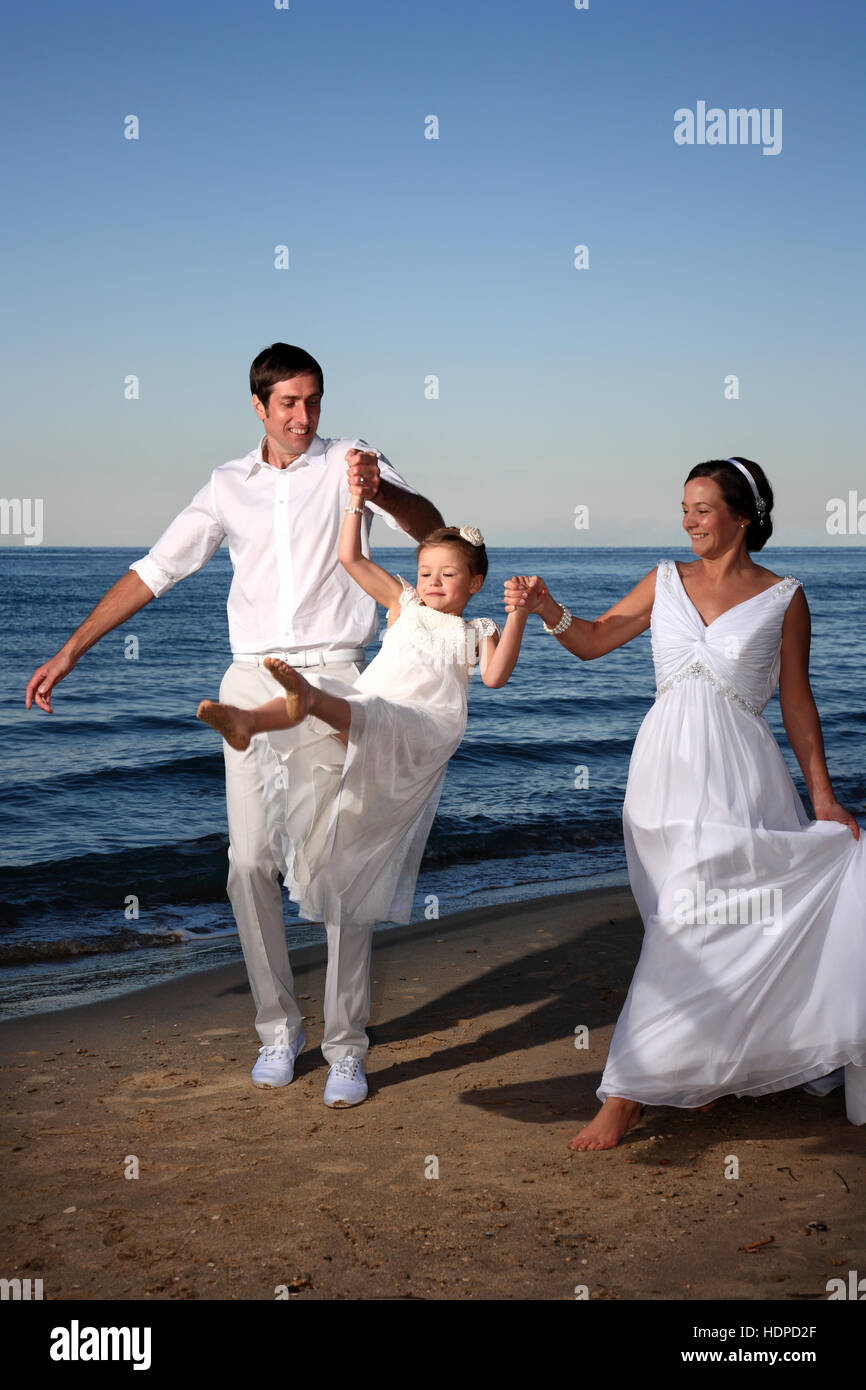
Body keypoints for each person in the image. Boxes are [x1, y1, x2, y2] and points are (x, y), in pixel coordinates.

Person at [24, 343, 444, 1106]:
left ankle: (346, 1046)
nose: (303, 415)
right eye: (288, 402)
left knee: (338, 868)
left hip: (333, 676)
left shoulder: (353, 459)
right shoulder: (227, 485)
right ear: (258, 405)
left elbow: (431, 530)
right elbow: (157, 569)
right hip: (252, 679)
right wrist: (71, 650)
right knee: (248, 862)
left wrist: (380, 487)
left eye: (312, 400)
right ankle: (278, 1031)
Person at [505, 457, 866, 1148]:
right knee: (681, 924)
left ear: (741, 516)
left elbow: (796, 700)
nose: (688, 520)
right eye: (684, 507)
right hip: (658, 775)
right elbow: (595, 639)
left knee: (689, 920)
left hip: (738, 775)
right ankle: (704, 1068)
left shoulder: (785, 597)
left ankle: (628, 1092)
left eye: (702, 508)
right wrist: (548, 608)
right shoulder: (664, 580)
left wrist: (822, 794)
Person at [196, 475, 537, 1104]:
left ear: (475, 584)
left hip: (420, 729)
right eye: (427, 571)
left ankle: (345, 1053)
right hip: (370, 709)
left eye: (449, 575)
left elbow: (494, 677)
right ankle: (248, 719)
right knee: (336, 710)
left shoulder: (474, 630)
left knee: (347, 721)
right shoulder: (403, 605)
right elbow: (350, 557)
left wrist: (517, 616)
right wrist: (355, 500)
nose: (434, 583)